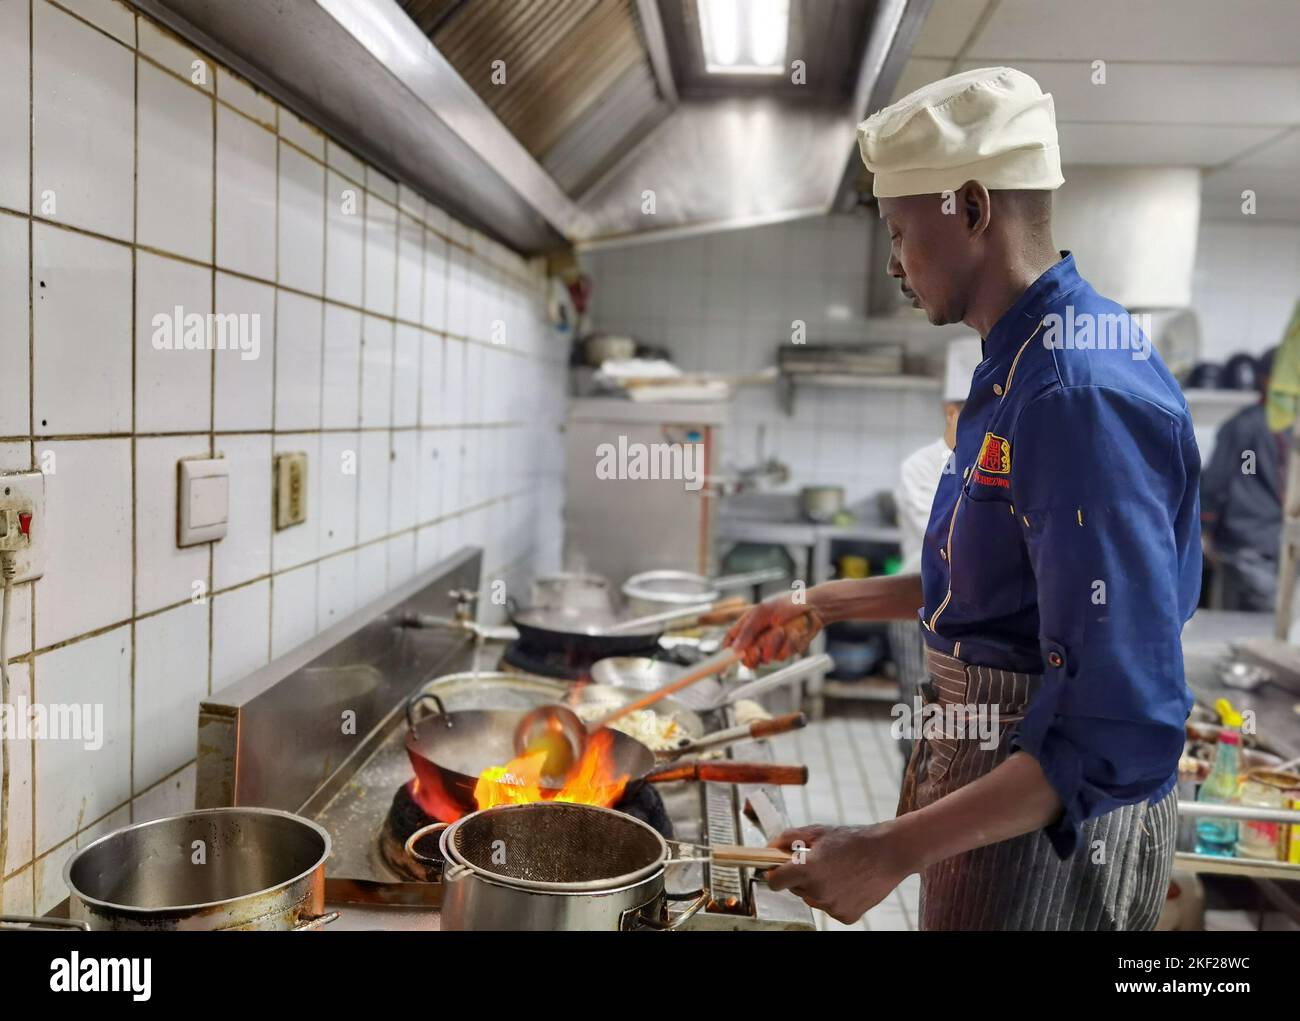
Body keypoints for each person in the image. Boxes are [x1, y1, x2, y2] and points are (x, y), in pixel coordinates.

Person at [726, 67, 1199, 930]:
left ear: (972, 209)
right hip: (999, 797)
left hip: (1056, 831)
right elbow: (999, 586)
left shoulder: (1073, 392)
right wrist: (824, 601)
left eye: (901, 230)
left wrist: (888, 848)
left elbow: (1112, 718)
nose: (896, 264)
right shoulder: (1017, 368)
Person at [890, 336, 982, 764]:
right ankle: (910, 815)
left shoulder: (1002, 460)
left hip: (976, 622)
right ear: (952, 412)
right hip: (919, 611)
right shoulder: (922, 467)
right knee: (920, 726)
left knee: (963, 738)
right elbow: (950, 539)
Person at [1201, 348, 1282, 611]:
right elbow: (1215, 484)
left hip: (1253, 545)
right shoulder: (1247, 426)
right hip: (1255, 548)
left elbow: (1214, 483)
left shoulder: (1244, 425)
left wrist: (1203, 531)